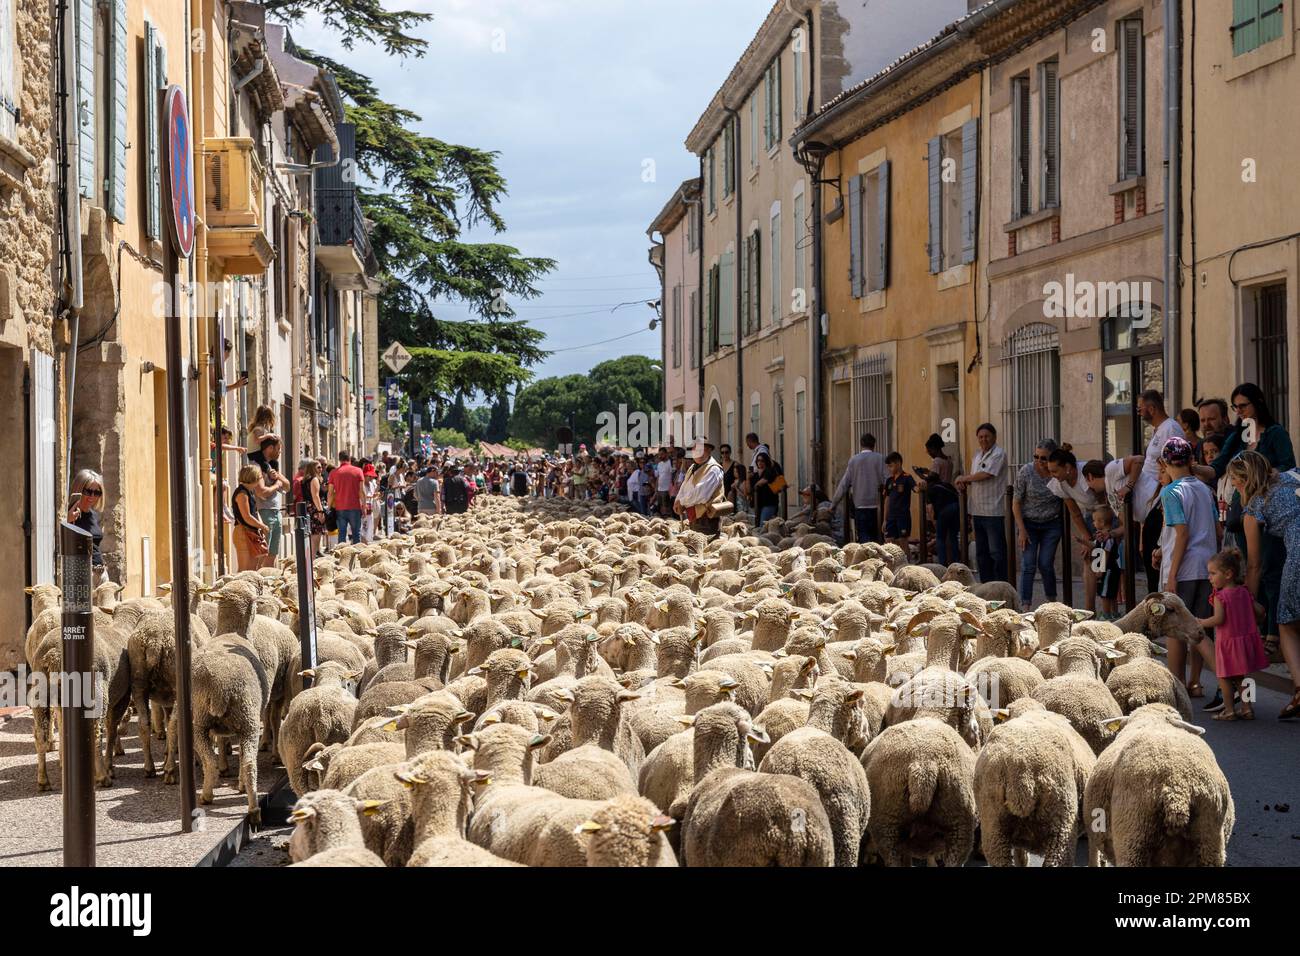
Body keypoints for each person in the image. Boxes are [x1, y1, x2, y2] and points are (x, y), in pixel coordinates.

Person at [1193, 383, 1296, 675]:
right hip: (1245, 512)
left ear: (1258, 404)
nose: (1240, 412)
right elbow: (1219, 465)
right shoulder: (1238, 435)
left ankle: (1274, 633)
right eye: (1236, 407)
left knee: (1270, 571)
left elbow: (1289, 466)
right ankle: (1259, 628)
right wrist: (1191, 469)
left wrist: (1259, 473)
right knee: (1253, 570)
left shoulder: (1275, 433)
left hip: (1271, 512)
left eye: (1244, 406)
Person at [1232, 452, 1300, 719]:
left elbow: (1254, 565)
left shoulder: (1255, 506)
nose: (1235, 487)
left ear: (1246, 479)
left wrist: (1247, 600)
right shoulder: (1293, 475)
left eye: (1236, 481)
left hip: (1298, 552)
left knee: (1286, 623)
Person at [1152, 436, 1219, 697]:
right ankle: (1196, 682)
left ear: (1165, 462)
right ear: (1191, 460)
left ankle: (1177, 684)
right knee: (1201, 627)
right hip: (1208, 565)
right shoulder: (1204, 489)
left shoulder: (1171, 492)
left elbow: (1182, 533)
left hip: (1184, 567)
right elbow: (1216, 528)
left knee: (1176, 628)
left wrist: (1171, 574)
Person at [1118, 390, 1182, 593]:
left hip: (1160, 498)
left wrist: (1162, 497)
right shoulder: (1158, 430)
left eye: (1140, 408)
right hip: (1151, 500)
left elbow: (1172, 464)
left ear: (1152, 408)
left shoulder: (1170, 428)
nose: (1138, 412)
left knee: (1154, 559)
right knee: (1148, 558)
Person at [1196, 548, 1269, 721]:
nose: (1209, 578)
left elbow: (1219, 619)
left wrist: (1200, 622)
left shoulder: (1220, 597)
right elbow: (1259, 610)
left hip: (1227, 642)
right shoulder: (1244, 592)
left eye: (1213, 573)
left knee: (1225, 677)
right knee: (1244, 678)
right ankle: (1247, 708)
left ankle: (1229, 710)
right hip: (1245, 640)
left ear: (1228, 574)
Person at [1047, 447, 1102, 613]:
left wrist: (1100, 536)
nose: (1052, 475)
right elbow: (1075, 513)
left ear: (1068, 468)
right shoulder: (1059, 484)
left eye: (1055, 470)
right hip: (1088, 516)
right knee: (1089, 558)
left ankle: (1109, 607)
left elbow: (1104, 497)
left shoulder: (1087, 475)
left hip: (1106, 514)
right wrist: (1087, 539)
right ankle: (1089, 610)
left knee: (1105, 561)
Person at [955, 423, 1009, 582]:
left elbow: (986, 474)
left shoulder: (999, 454)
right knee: (982, 553)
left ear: (994, 437)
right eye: (980, 437)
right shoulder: (977, 456)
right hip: (977, 510)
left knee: (996, 552)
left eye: (987, 436)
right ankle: (986, 586)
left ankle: (1001, 584)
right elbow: (975, 478)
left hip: (993, 511)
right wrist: (963, 483)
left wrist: (964, 478)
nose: (983, 439)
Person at [1013, 440, 1064, 607]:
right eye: (1036, 457)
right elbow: (1016, 502)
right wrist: (1021, 529)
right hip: (1029, 524)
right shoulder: (1026, 472)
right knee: (1028, 564)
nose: (1039, 461)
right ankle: (1025, 605)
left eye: (1044, 458)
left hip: (1051, 523)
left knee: (1045, 563)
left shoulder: (1057, 473)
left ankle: (1052, 601)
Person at [830, 433, 887, 544]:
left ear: (861, 444)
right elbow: (887, 479)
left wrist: (834, 504)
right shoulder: (880, 459)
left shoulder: (853, 460)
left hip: (860, 505)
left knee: (863, 536)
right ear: (874, 445)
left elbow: (844, 484)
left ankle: (866, 558)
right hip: (877, 504)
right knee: (877, 536)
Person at [674, 437, 727, 536]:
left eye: (700, 449)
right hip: (694, 517)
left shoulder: (713, 469)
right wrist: (678, 500)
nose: (696, 451)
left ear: (708, 450)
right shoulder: (692, 467)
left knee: (706, 549)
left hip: (707, 519)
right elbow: (684, 486)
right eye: (694, 449)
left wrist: (682, 502)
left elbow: (701, 494)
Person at [66, 469, 109, 584]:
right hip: (82, 573)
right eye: (88, 491)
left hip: (101, 572)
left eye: (97, 493)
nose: (92, 497)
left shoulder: (94, 515)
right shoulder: (68, 514)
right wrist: (68, 521)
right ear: (78, 489)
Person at [254, 436, 290, 562]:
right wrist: (276, 485)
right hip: (264, 512)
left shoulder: (272, 466)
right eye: (278, 449)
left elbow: (287, 485)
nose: (280, 452)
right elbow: (262, 492)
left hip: (277, 512)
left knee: (273, 553)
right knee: (262, 553)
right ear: (270, 448)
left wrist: (277, 477)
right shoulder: (257, 467)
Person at [231, 465, 271, 571]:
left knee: (254, 567)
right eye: (259, 476)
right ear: (254, 477)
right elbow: (247, 516)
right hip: (243, 532)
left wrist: (260, 527)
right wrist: (263, 526)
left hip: (251, 531)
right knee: (245, 569)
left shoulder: (250, 492)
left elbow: (255, 512)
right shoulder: (242, 493)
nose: (261, 478)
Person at [1091, 503, 1122, 621]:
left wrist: (1100, 569)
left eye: (1095, 520)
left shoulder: (1108, 537)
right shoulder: (1100, 536)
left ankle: (1106, 614)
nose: (1093, 523)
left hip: (1108, 568)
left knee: (1105, 593)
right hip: (1106, 568)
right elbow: (1095, 547)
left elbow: (1106, 553)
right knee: (1111, 592)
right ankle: (1114, 613)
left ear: (1102, 522)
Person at [328, 451, 365, 545]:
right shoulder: (358, 471)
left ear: (339, 459)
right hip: (355, 507)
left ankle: (341, 556)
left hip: (340, 508)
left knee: (341, 535)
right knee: (356, 534)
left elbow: (330, 493)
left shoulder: (334, 473)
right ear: (349, 459)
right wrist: (364, 506)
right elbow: (362, 491)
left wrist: (328, 507)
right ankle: (357, 557)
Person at [882, 453, 915, 548]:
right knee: (889, 542)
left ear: (899, 463)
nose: (889, 469)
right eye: (888, 467)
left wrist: (922, 486)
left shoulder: (907, 477)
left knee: (902, 541)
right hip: (891, 517)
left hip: (903, 516)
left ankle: (906, 562)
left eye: (891, 466)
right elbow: (887, 500)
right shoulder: (889, 480)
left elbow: (916, 488)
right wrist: (885, 520)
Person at [749, 451, 784, 524]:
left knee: (763, 524)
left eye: (762, 460)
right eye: (758, 460)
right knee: (757, 525)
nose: (760, 462)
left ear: (766, 461)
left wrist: (755, 485)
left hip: (769, 503)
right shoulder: (755, 475)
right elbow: (749, 489)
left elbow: (761, 483)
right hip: (757, 503)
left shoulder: (770, 471)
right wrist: (748, 477)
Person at [247, 405, 276, 470]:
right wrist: (268, 435)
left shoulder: (262, 428)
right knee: (266, 466)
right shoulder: (258, 428)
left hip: (257, 453)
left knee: (273, 463)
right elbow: (257, 440)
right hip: (254, 454)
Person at [656, 449, 675, 517]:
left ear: (666, 454)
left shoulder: (670, 463)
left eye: (662, 454)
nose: (660, 456)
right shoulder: (659, 464)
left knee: (667, 509)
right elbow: (658, 477)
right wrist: (656, 490)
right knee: (661, 509)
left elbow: (673, 476)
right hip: (660, 489)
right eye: (659, 454)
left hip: (667, 490)